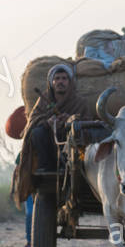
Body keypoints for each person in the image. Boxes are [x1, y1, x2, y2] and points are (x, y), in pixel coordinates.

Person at [13, 63, 95, 204]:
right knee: (37, 132)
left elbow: (89, 123)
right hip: (49, 147)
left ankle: (72, 166)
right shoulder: (43, 100)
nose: (60, 82)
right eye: (57, 78)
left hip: (73, 151)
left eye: (64, 78)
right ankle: (46, 167)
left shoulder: (80, 102)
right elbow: (33, 120)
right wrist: (48, 122)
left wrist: (70, 121)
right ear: (52, 82)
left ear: (70, 82)